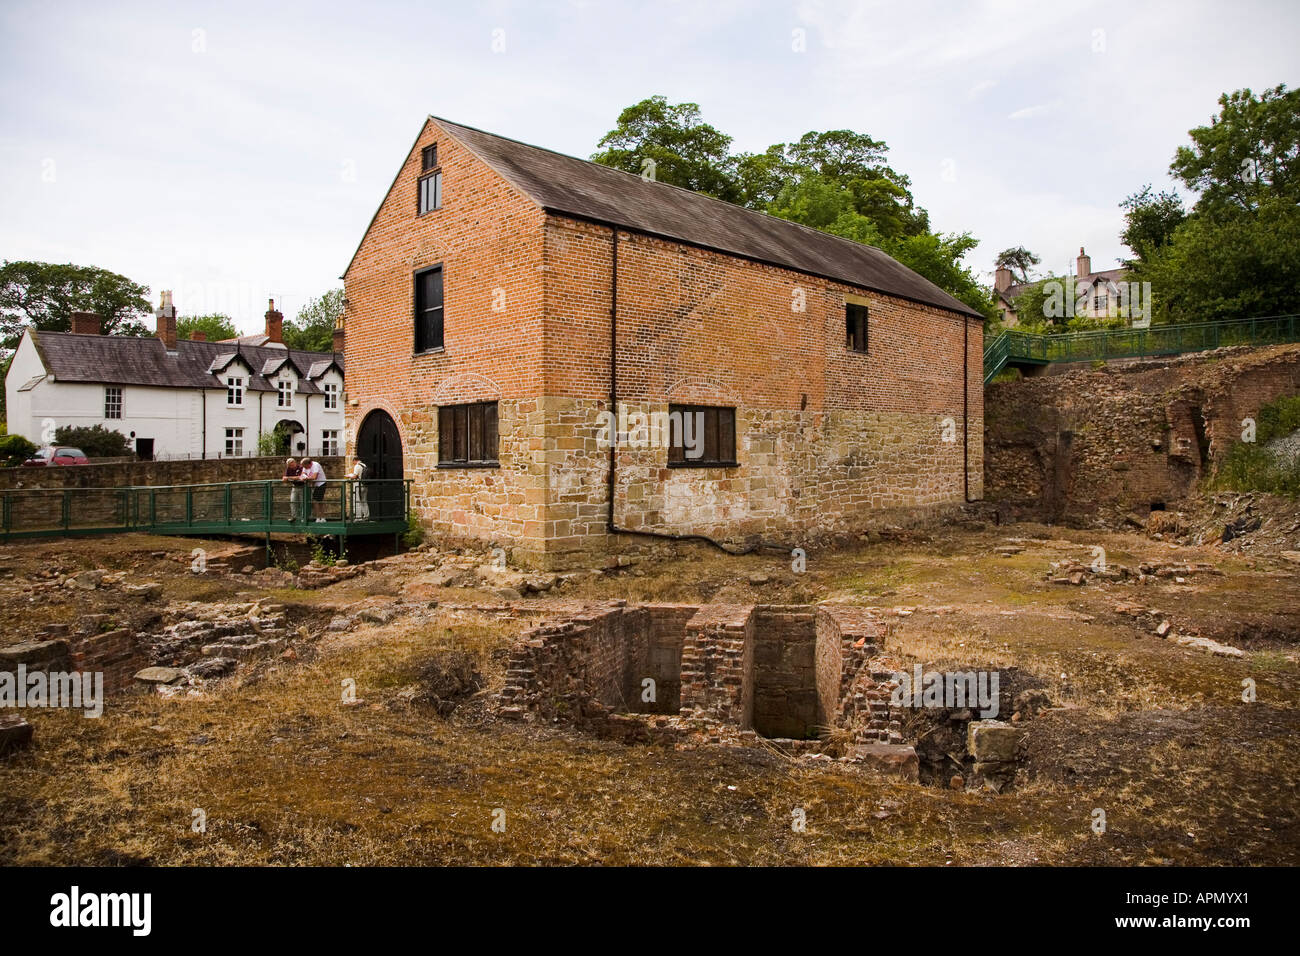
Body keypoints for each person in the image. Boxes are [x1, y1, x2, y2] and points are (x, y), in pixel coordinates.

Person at [299, 456, 327, 522]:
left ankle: (319, 518)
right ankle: (322, 517)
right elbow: (303, 474)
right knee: (319, 501)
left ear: (308, 464)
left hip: (321, 484)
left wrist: (306, 478)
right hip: (314, 485)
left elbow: (314, 477)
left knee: (316, 501)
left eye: (305, 466)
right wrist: (303, 476)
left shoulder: (315, 465)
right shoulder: (305, 466)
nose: (304, 468)